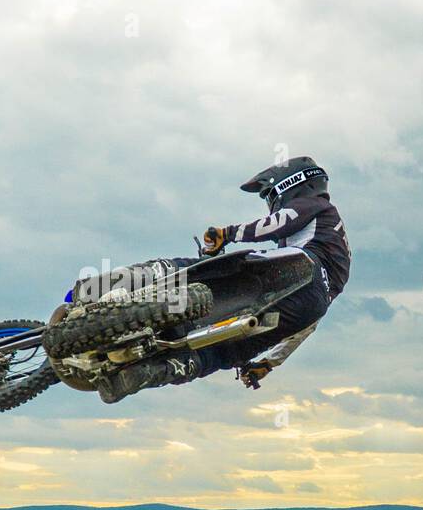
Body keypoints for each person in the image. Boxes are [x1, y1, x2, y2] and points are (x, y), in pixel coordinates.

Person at [98, 156, 351, 403]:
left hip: (302, 267)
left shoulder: (317, 205)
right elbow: (311, 319)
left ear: (291, 185)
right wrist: (268, 362)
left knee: (214, 269)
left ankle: (128, 280)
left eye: (269, 196)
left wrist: (227, 234)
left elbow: (279, 223)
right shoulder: (332, 245)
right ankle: (144, 374)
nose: (270, 203)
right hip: (309, 308)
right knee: (225, 351)